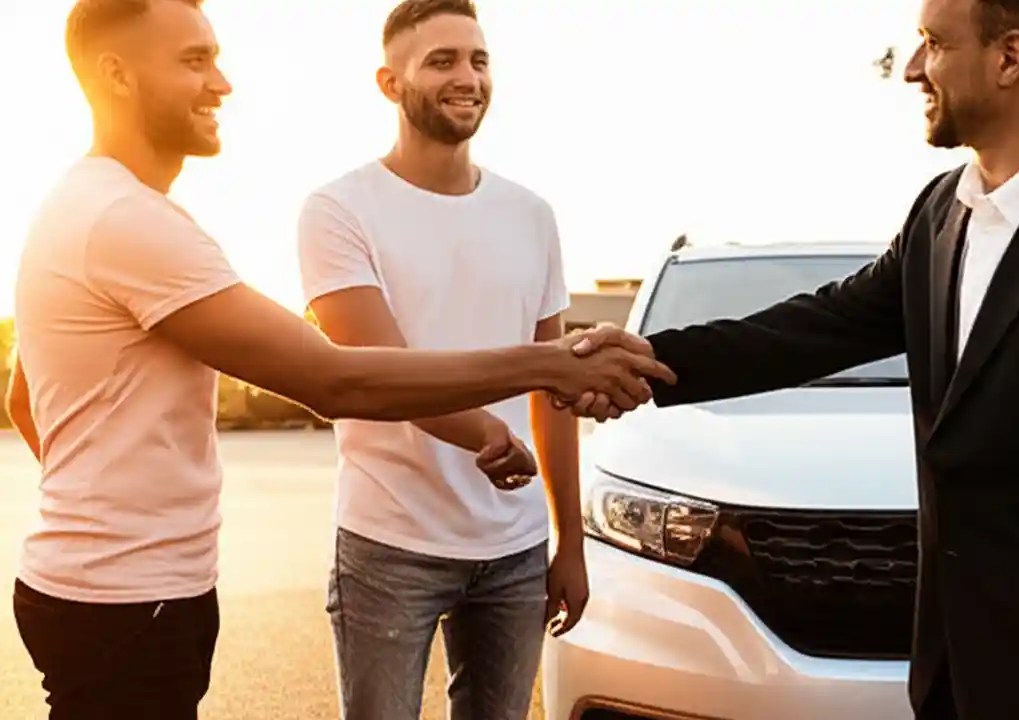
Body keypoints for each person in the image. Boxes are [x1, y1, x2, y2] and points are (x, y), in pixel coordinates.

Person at [569, 0, 1019, 718]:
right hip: (953, 681)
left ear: (1010, 57)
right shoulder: (941, 213)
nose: (913, 68)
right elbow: (825, 324)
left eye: (933, 43)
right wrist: (649, 360)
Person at [4, 1, 674, 718]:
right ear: (117, 75)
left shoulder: (95, 205)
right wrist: (545, 364)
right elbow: (334, 377)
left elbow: (22, 399)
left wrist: (101, 508)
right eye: (194, 60)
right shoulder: (127, 220)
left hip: (116, 588)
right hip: (129, 599)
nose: (222, 83)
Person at [293, 2, 583, 718]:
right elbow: (377, 366)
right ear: (390, 83)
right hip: (390, 542)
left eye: (479, 60)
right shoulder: (337, 210)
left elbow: (557, 387)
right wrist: (485, 431)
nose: (468, 77)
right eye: (443, 61)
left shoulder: (532, 214)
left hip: (514, 547)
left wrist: (569, 539)